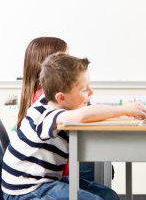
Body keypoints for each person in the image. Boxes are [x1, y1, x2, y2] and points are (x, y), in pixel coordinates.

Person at [2, 53, 146, 200]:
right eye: (85, 90)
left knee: (110, 197)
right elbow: (84, 115)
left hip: (46, 182)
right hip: (25, 191)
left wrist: (125, 113)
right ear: (61, 97)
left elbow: (90, 112)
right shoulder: (46, 115)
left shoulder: (59, 103)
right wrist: (124, 109)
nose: (91, 92)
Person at [17, 37, 95, 181]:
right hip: (61, 166)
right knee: (96, 158)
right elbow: (82, 117)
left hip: (58, 163)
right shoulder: (48, 99)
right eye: (65, 58)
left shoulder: (39, 94)